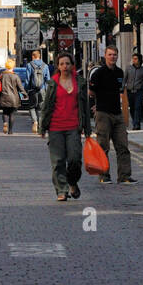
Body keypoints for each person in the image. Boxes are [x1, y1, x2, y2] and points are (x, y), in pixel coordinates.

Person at [39, 52, 91, 199]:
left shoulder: (80, 82)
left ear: (72, 65)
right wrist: (42, 127)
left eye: (67, 63)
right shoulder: (53, 83)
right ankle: (61, 190)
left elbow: (85, 107)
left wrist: (87, 128)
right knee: (58, 161)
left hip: (73, 127)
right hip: (55, 127)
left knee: (75, 159)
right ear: (58, 66)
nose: (65, 66)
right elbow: (47, 106)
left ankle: (72, 182)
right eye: (61, 64)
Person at [88, 45, 136, 184]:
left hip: (117, 113)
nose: (112, 57)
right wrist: (98, 103)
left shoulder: (120, 73)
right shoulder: (98, 73)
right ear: (105, 56)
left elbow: (120, 91)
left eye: (115, 54)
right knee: (103, 147)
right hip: (103, 114)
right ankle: (104, 176)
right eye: (110, 54)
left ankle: (124, 176)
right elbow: (91, 92)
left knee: (123, 145)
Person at [0, 58, 22, 135]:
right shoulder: (16, 76)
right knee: (12, 114)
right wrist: (24, 94)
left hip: (3, 96)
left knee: (5, 112)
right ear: (13, 66)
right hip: (14, 98)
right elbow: (20, 87)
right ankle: (10, 131)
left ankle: (5, 122)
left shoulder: (2, 75)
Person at [124, 53, 143, 130]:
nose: (134, 60)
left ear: (140, 60)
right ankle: (135, 121)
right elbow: (124, 79)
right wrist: (121, 89)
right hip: (129, 91)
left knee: (137, 107)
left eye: (135, 59)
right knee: (132, 108)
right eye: (133, 58)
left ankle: (136, 124)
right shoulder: (128, 68)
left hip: (139, 91)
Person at [28, 51, 49, 134]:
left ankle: (35, 121)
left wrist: (27, 89)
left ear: (33, 56)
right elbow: (48, 79)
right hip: (42, 89)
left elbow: (27, 79)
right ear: (39, 56)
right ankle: (40, 125)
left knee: (32, 107)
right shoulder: (45, 66)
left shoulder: (29, 65)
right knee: (41, 107)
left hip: (33, 90)